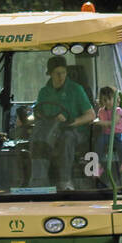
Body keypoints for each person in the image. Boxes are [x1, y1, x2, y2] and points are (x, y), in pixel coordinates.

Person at [33, 55, 95, 188]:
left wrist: (72, 121)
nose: (61, 76)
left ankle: (65, 181)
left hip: (74, 130)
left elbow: (91, 115)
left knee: (66, 138)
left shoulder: (76, 89)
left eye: (63, 73)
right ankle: (38, 181)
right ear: (50, 74)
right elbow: (39, 112)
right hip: (50, 130)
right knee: (36, 137)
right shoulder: (43, 92)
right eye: (57, 73)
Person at [94, 86, 122, 188]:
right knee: (99, 142)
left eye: (110, 99)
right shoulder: (101, 111)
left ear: (115, 99)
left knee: (121, 144)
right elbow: (99, 119)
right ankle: (99, 165)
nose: (108, 102)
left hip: (118, 133)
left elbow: (114, 122)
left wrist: (101, 122)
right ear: (101, 101)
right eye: (105, 100)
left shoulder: (118, 110)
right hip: (106, 135)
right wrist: (96, 121)